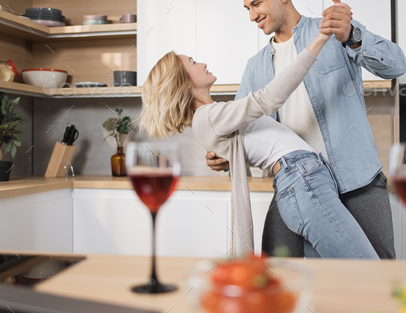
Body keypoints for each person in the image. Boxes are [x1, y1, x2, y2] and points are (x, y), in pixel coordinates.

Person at [205, 0, 406, 259]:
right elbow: (239, 129)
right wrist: (224, 155)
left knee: (378, 276)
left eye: (257, 4)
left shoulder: (331, 31)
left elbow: (397, 65)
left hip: (357, 180)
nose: (252, 15)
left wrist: (352, 34)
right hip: (295, 185)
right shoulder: (256, 66)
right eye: (247, 8)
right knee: (278, 276)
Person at [139, 25, 379, 260]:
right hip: (302, 180)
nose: (201, 63)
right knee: (366, 267)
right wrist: (318, 41)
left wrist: (226, 161)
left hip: (305, 180)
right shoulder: (207, 117)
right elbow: (268, 99)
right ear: (184, 83)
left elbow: (243, 144)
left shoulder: (213, 115)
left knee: (329, 280)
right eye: (192, 62)